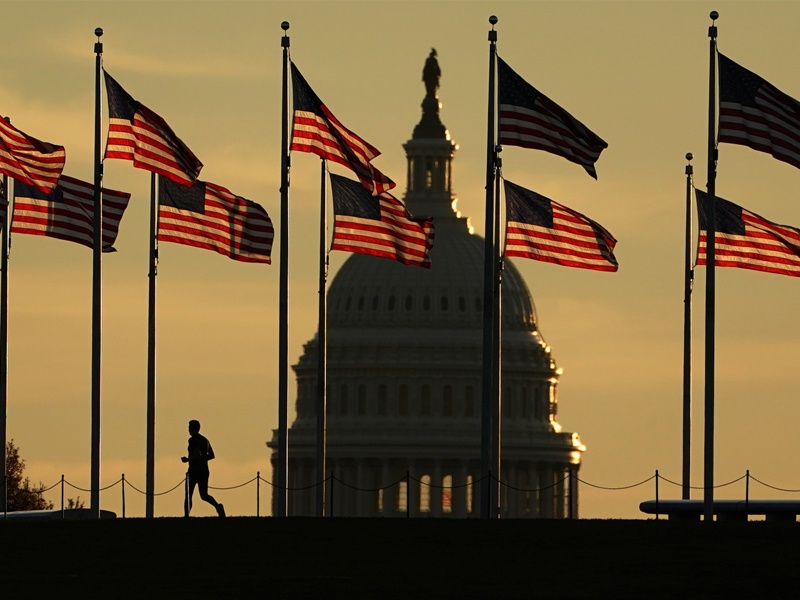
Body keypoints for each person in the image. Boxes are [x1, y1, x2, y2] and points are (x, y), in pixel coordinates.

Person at [182, 420, 225, 517]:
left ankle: (186, 516)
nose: (188, 429)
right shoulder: (205, 440)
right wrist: (202, 459)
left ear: (193, 428)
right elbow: (211, 455)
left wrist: (188, 459)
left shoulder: (192, 440)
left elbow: (197, 453)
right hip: (204, 470)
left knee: (189, 495)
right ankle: (218, 506)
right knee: (204, 495)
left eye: (189, 427)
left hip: (194, 470)